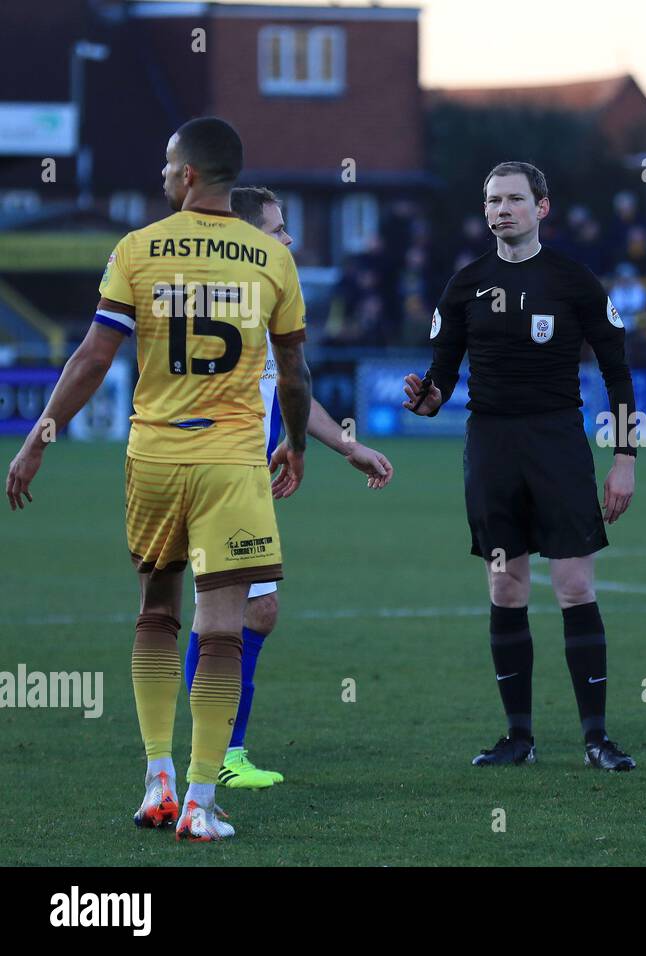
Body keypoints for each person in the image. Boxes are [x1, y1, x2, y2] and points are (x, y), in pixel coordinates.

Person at [5, 117, 312, 839]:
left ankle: (158, 781)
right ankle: (202, 803)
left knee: (155, 615)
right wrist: (296, 444)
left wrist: (38, 437)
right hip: (233, 462)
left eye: (168, 166)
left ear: (190, 176)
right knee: (224, 630)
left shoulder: (137, 249)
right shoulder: (271, 257)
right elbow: (293, 372)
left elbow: (91, 358)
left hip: (154, 459)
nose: (162, 177)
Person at [402, 161, 639, 771]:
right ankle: (518, 738)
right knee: (505, 586)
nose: (500, 209)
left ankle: (596, 738)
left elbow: (618, 373)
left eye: (513, 199)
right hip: (491, 448)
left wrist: (624, 459)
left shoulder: (574, 281)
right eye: (491, 201)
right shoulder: (463, 286)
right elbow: (441, 384)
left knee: (574, 586)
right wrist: (425, 398)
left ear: (542, 207)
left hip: (558, 443)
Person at [178, 185, 394, 790]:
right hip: (217, 476)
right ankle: (219, 755)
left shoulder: (261, 295)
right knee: (230, 610)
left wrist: (346, 446)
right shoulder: (223, 298)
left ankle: (213, 752)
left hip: (233, 477)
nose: (289, 240)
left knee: (247, 610)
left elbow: (290, 386)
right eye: (277, 229)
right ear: (247, 235)